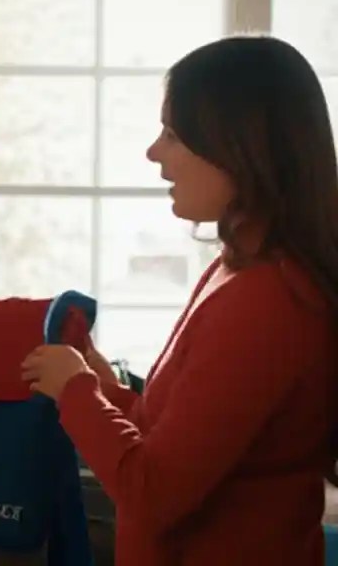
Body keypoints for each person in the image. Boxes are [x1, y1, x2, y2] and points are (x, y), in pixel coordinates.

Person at [21, 35, 338, 565]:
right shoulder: (233, 269)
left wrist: (76, 392)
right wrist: (102, 386)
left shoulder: (269, 302)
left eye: (172, 133)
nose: (154, 152)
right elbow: (171, 439)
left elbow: (154, 491)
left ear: (238, 145)